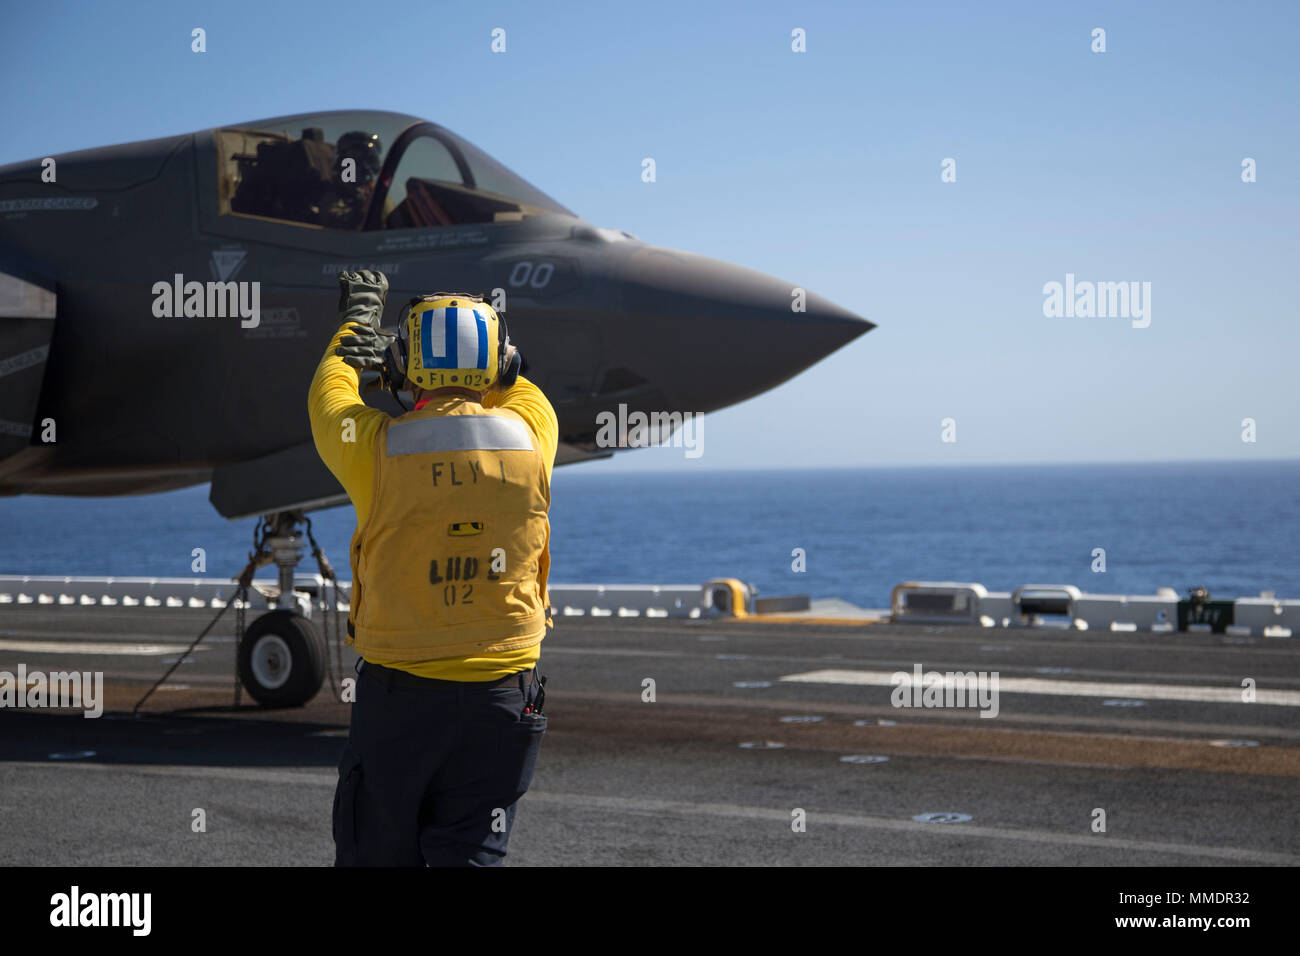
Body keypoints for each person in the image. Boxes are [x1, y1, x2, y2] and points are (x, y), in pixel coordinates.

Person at [308, 270, 558, 866]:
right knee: (472, 855)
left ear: (401, 367)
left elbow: (330, 396)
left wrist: (356, 330)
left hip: (401, 697)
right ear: (501, 363)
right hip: (504, 697)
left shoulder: (374, 449)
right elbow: (513, 386)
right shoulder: (533, 435)